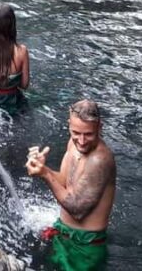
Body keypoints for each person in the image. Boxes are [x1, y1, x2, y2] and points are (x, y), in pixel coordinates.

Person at [26, 100, 116, 271]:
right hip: (64, 233)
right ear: (69, 125)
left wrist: (45, 174)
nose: (81, 141)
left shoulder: (100, 160)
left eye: (88, 134)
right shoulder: (73, 144)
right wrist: (42, 167)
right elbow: (64, 182)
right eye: (76, 132)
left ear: (100, 127)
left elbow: (77, 210)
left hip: (85, 246)